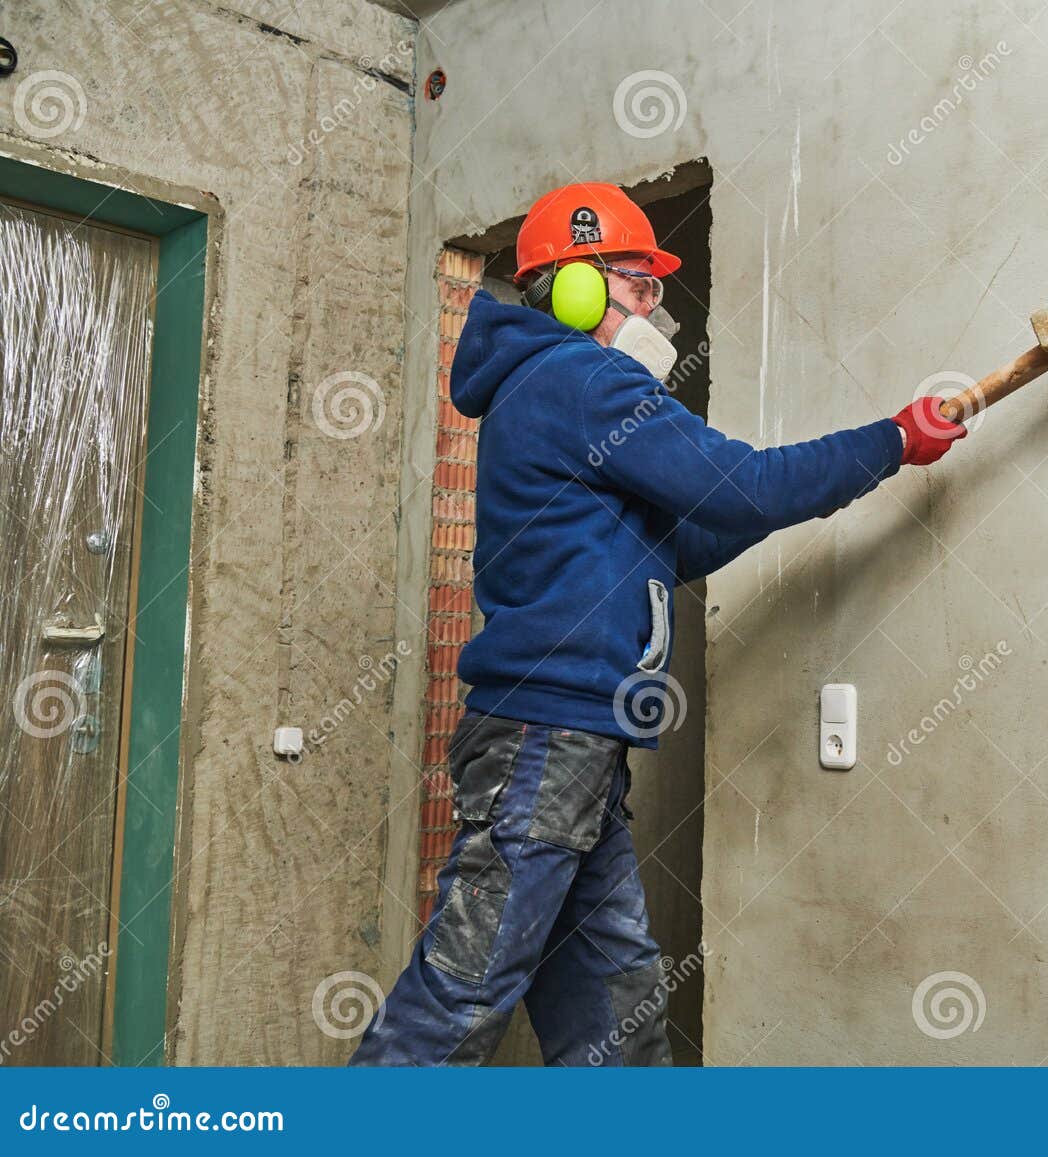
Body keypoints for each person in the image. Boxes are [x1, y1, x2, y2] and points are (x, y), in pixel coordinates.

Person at [351, 182, 965, 1066]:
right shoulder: (581, 379)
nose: (656, 311)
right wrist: (892, 441)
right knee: (463, 990)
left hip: (577, 742)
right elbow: (746, 484)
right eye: (640, 287)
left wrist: (808, 483)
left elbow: (696, 533)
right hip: (547, 736)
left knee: (615, 1011)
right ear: (575, 287)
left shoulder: (553, 395)